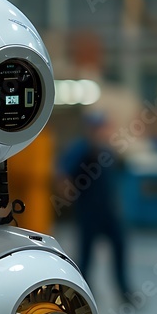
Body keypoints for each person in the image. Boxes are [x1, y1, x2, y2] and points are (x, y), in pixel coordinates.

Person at [57, 111, 134, 303]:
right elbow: (62, 173)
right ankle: (83, 293)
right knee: (86, 254)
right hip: (89, 211)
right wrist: (67, 192)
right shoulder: (81, 149)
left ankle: (124, 292)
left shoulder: (107, 150)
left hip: (109, 212)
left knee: (119, 247)